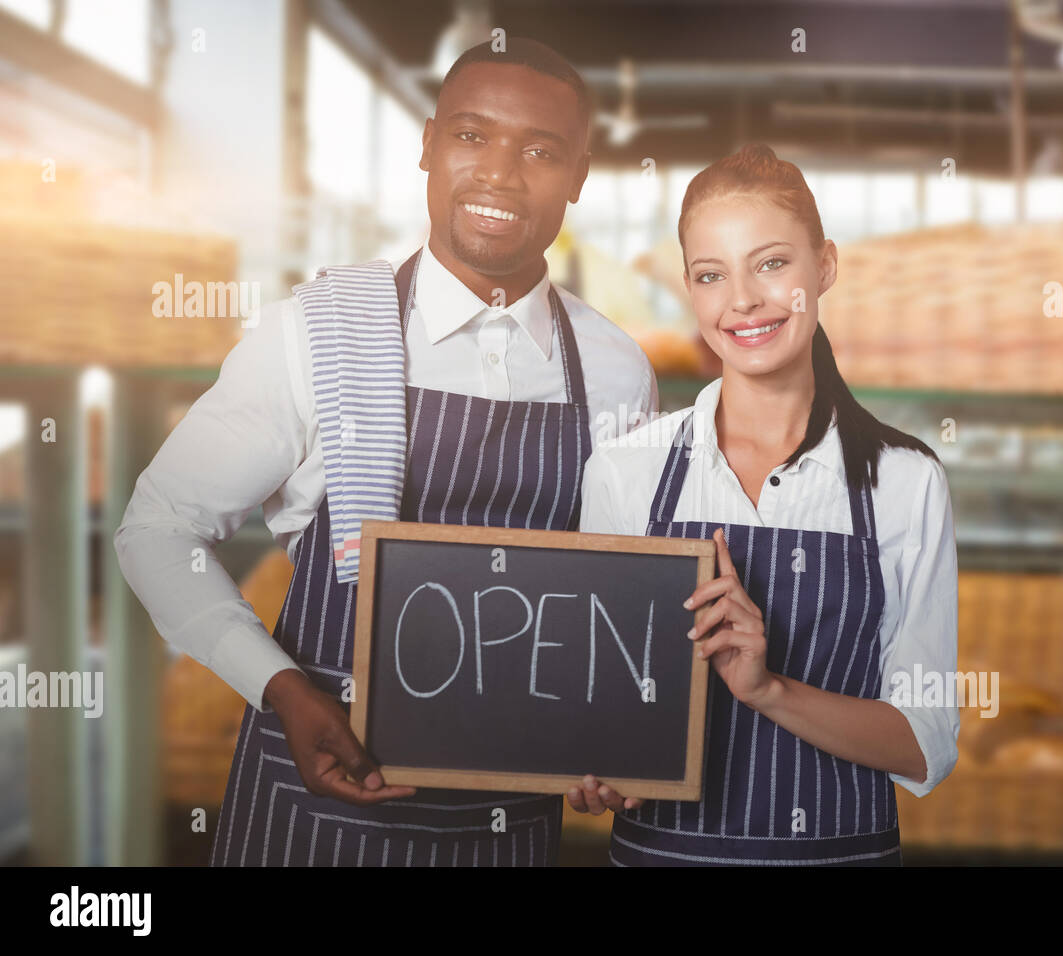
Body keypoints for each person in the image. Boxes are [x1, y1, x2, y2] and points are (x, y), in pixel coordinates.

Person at [114, 38, 656, 867]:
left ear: (580, 176)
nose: (501, 175)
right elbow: (157, 530)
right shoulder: (318, 331)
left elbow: (612, 604)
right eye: (472, 137)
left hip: (509, 826)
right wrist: (283, 689)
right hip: (311, 806)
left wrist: (611, 736)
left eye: (541, 151)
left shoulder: (617, 370)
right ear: (430, 144)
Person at [570, 144, 958, 866]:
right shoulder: (625, 473)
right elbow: (607, 709)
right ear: (690, 291)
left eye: (772, 264)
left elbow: (925, 741)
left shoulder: (906, 481)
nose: (742, 300)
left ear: (826, 267)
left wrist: (768, 688)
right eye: (711, 275)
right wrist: (594, 764)